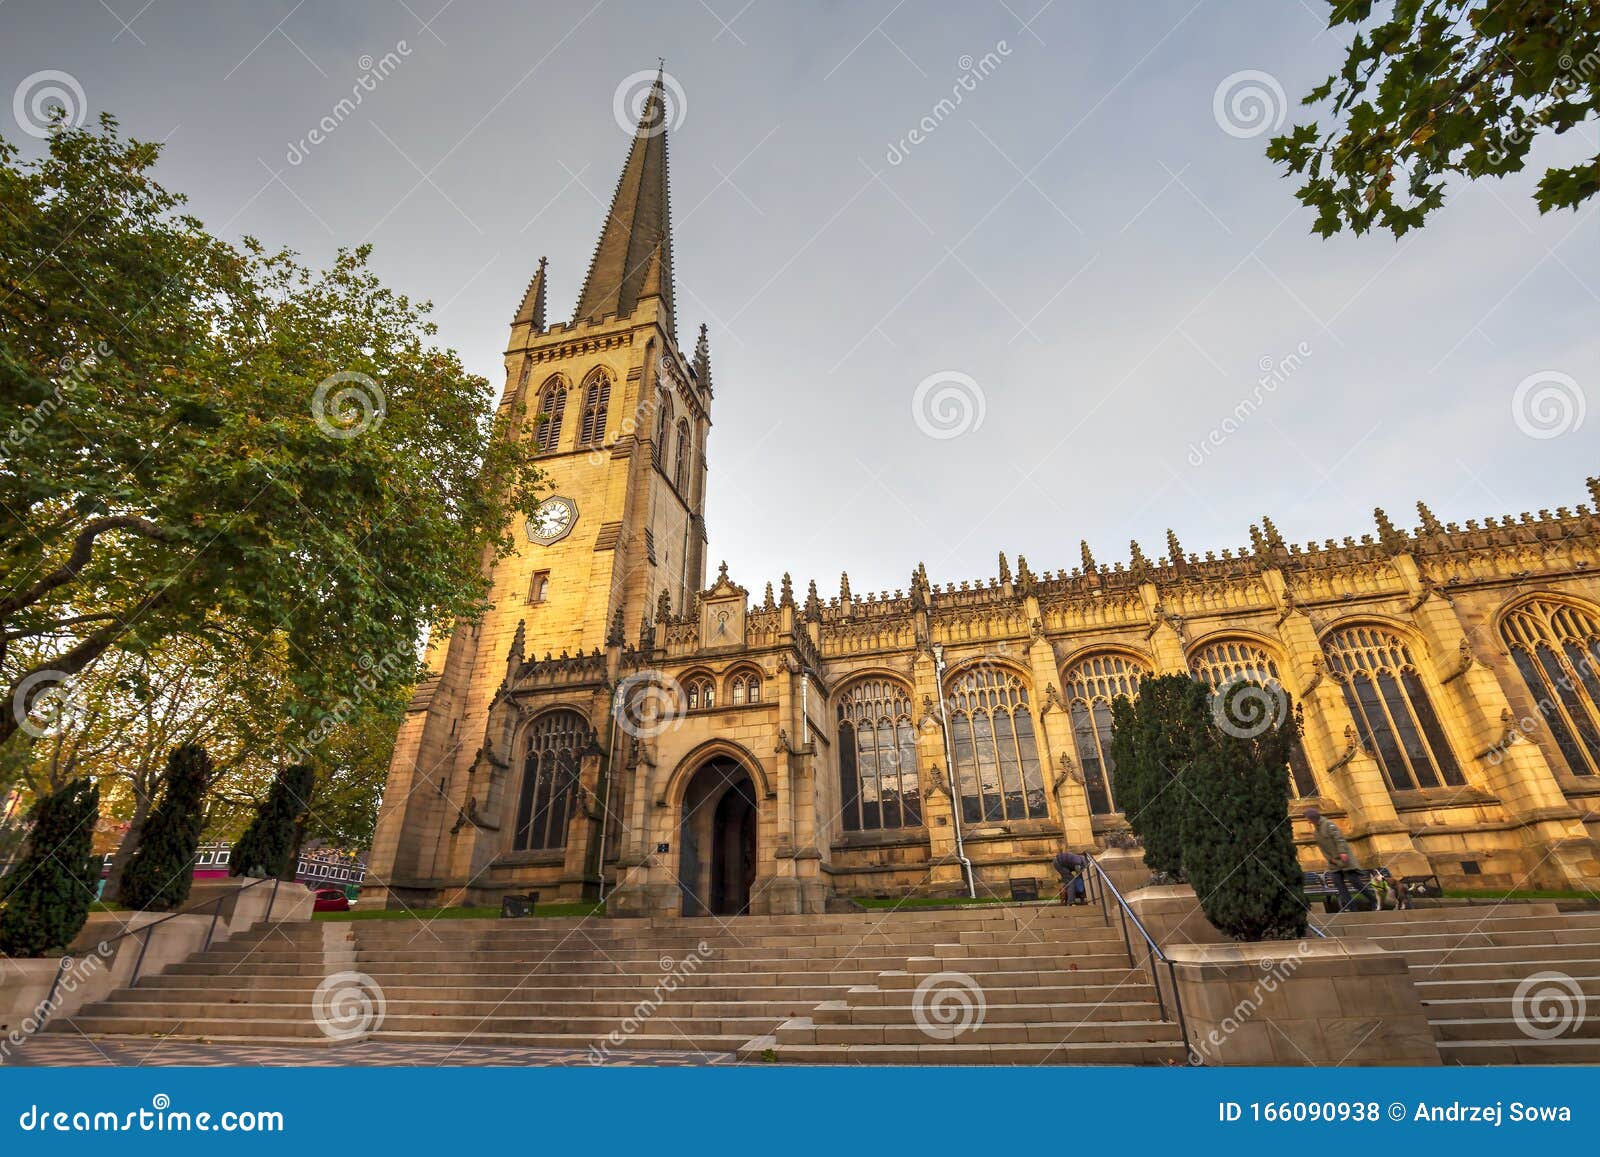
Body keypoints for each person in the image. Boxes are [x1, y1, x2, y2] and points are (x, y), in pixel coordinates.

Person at [1304, 806, 1375, 912]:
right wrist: (1330, 859)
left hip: (1345, 860)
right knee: (1339, 884)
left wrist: (1342, 852)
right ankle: (1352, 907)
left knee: (1355, 882)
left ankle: (1373, 900)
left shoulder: (1328, 824)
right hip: (1334, 863)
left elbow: (1339, 839)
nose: (1307, 820)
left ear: (1312, 817)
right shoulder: (1316, 832)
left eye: (1307, 817)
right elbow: (1323, 848)